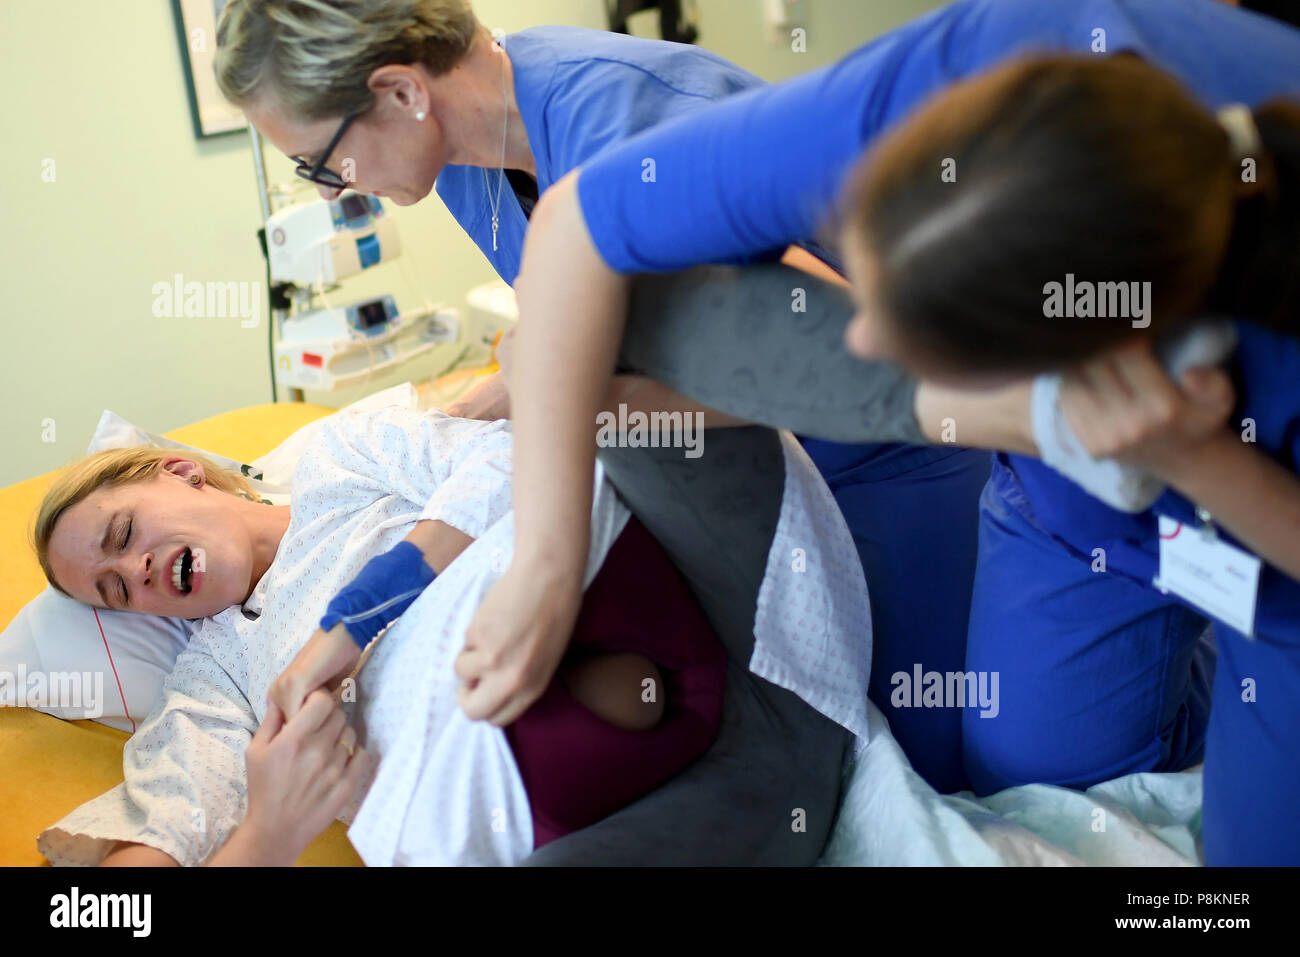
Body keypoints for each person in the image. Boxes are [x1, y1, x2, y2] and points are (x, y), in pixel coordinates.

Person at [457, 0, 1300, 862]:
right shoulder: (942, 70)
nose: (858, 341)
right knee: (1018, 766)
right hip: (1075, 489)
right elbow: (580, 226)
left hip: (1268, 539)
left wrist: (1193, 459)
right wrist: (546, 566)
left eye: (940, 345)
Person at [214, 0, 1005, 793]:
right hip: (761, 478)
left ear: (399, 93)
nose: (326, 195)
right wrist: (500, 391)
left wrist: (582, 399)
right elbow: (591, 317)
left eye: (321, 164)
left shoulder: (621, 124)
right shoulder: (464, 163)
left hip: (894, 448)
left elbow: (850, 342)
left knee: (918, 776)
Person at [33, 411, 730, 864]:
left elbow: (511, 458)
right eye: (117, 589)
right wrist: (267, 832)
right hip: (502, 790)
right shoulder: (216, 682)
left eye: (123, 536)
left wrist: (353, 622)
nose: (136, 569)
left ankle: (587, 688)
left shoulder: (338, 461)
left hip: (585, 584)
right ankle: (580, 706)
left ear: (181, 473)